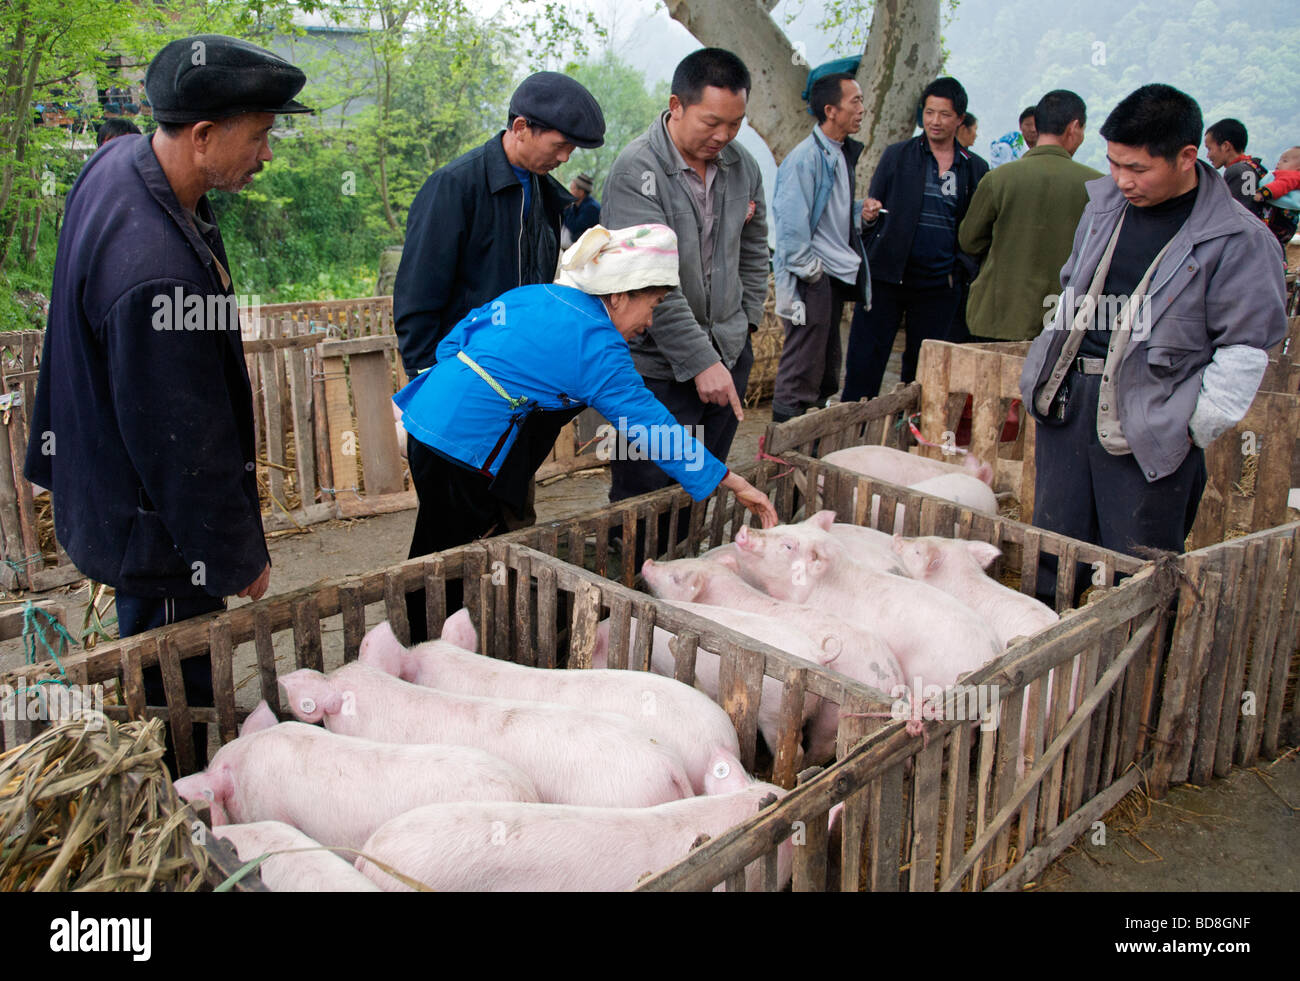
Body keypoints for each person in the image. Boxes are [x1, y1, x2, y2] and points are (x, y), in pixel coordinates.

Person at [25, 34, 311, 772]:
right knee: (174, 675)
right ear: (204, 136)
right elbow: (183, 444)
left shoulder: (119, 164)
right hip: (155, 531)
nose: (267, 153)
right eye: (260, 136)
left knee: (144, 656)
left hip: (104, 482)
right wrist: (231, 554)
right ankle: (182, 797)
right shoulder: (155, 274)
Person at [1019, 84, 1287, 601]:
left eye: (1138, 169)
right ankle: (1049, 664)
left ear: (1187, 157)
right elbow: (1073, 285)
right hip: (1071, 400)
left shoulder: (1238, 239)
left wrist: (1191, 425)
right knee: (1053, 551)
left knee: (1136, 569)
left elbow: (1245, 350)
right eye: (1115, 163)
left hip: (1151, 421)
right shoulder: (1103, 207)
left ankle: (1129, 677)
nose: (1122, 180)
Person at [392, 224, 777, 562]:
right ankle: (422, 638)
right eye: (653, 304)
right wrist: (731, 480)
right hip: (467, 449)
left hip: (426, 424)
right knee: (445, 558)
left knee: (443, 537)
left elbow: (456, 340)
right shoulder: (598, 344)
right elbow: (651, 427)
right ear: (620, 295)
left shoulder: (537, 294)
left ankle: (440, 628)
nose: (650, 321)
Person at [394, 71, 604, 640]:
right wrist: (432, 389)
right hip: (458, 402)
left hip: (515, 405)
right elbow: (416, 301)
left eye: (572, 150)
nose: (565, 158)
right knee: (443, 535)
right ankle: (418, 644)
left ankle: (476, 639)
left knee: (501, 519)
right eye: (558, 145)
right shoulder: (456, 187)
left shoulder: (543, 198)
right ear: (520, 127)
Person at [600, 48, 768, 546]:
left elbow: (755, 249)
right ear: (677, 106)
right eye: (712, 122)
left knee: (702, 478)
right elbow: (647, 283)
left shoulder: (742, 167)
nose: (723, 136)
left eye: (735, 124)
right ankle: (629, 578)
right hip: (657, 367)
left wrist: (747, 322)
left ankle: (684, 573)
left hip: (729, 351)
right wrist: (699, 361)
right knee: (646, 487)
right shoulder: (637, 171)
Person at [841, 76, 988, 401]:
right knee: (865, 363)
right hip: (886, 276)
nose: (935, 121)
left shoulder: (974, 168)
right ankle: (851, 437)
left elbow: (978, 228)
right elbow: (873, 207)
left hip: (940, 285)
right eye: (930, 112)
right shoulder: (899, 156)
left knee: (923, 373)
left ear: (960, 119)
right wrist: (867, 213)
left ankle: (909, 437)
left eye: (944, 114)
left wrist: (960, 270)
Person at [958, 90, 1103, 342]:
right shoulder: (1097, 186)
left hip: (997, 316)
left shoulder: (998, 178)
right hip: (1064, 320)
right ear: (1075, 127)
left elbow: (969, 241)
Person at [770, 72, 872, 423]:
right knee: (801, 368)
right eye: (855, 101)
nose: (862, 109)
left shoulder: (839, 154)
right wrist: (812, 274)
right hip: (812, 277)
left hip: (829, 275)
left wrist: (862, 213)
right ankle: (783, 450)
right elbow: (790, 226)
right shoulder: (805, 159)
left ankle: (808, 441)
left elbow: (831, 216)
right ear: (831, 110)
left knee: (825, 367)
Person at [1203, 118, 1268, 219]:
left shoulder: (1237, 171)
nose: (1208, 155)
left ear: (1225, 146)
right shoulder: (1253, 167)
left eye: (1209, 149)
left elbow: (1237, 214)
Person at [1254, 146, 1300, 251]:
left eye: (1285, 161)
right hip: (1288, 227)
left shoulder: (1291, 176)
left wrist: (1263, 193)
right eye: (1280, 159)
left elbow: (1280, 186)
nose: (1279, 163)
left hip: (1280, 222)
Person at [561, 172, 601, 248]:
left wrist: (567, 209)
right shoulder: (577, 205)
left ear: (581, 192)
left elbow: (574, 227)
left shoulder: (591, 208)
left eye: (572, 189)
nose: (570, 192)